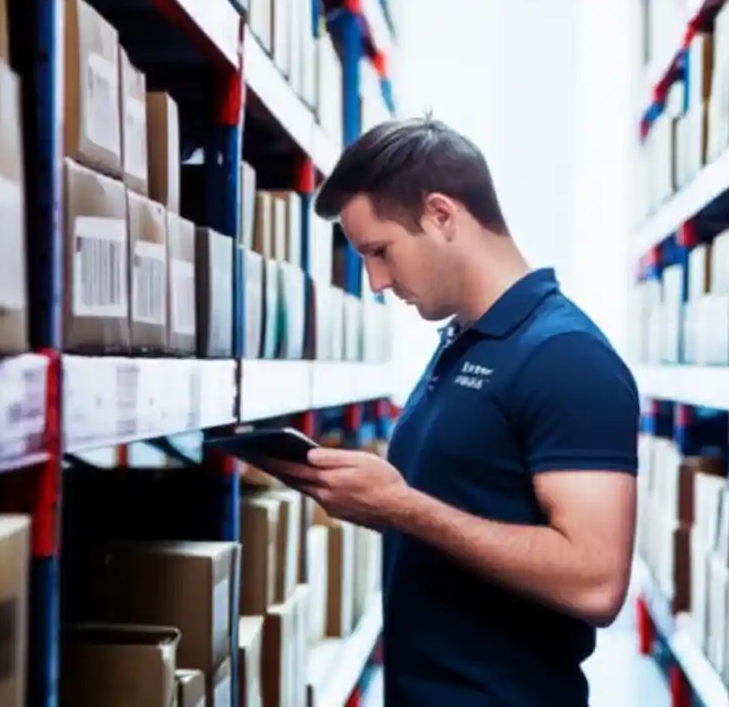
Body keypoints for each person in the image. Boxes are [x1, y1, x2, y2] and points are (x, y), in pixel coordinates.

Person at [265, 117, 640, 706]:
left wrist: (403, 507)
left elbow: (595, 580)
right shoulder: (462, 343)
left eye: (379, 252)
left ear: (442, 216)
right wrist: (380, 505)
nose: (377, 281)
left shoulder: (565, 356)